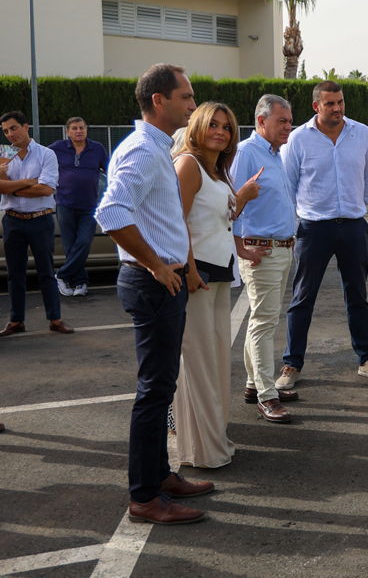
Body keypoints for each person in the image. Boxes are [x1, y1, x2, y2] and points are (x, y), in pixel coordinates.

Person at [96, 63, 213, 525]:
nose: (192, 103)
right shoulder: (145, 151)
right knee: (154, 391)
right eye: (186, 96)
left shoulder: (156, 147)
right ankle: (144, 497)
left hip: (164, 281)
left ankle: (160, 475)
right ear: (159, 100)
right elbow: (111, 212)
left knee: (162, 388)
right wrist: (155, 263)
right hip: (153, 283)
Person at [278, 80, 368, 389]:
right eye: (330, 104)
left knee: (358, 295)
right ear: (316, 106)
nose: (337, 108)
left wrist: (355, 206)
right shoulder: (299, 139)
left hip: (353, 226)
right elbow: (288, 185)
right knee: (302, 298)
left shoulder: (361, 133)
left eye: (340, 102)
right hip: (314, 228)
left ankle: (367, 359)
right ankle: (291, 364)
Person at [170, 102, 261, 468]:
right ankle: (201, 449)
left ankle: (212, 439)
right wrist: (189, 270)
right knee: (197, 364)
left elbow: (221, 218)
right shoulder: (188, 164)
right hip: (198, 275)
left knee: (215, 360)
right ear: (198, 126)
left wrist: (242, 197)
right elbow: (175, 221)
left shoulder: (216, 169)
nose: (221, 132)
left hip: (220, 272)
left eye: (227, 127)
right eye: (214, 125)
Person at [231, 94, 298, 423]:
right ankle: (266, 395)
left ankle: (253, 383)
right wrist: (240, 247)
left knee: (263, 319)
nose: (289, 126)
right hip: (263, 250)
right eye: (282, 121)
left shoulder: (275, 155)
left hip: (282, 249)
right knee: (264, 323)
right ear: (261, 121)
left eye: (289, 121)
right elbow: (228, 203)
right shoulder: (246, 152)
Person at [0, 110, 73, 336]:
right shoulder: (4, 154)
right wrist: (28, 183)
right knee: (15, 274)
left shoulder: (46, 154)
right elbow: (1, 187)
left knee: (46, 272)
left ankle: (55, 319)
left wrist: (14, 186)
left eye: (13, 128)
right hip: (12, 220)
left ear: (26, 127)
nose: (10, 134)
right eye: (5, 131)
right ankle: (16, 321)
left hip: (40, 220)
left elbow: (46, 189)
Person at [50, 117, 109, 297]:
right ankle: (79, 283)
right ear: (68, 131)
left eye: (82, 128)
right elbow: (40, 160)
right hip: (64, 204)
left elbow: (110, 171)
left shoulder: (97, 148)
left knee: (83, 242)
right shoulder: (57, 148)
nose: (78, 131)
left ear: (86, 130)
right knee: (70, 247)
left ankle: (61, 275)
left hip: (90, 206)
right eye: (74, 128)